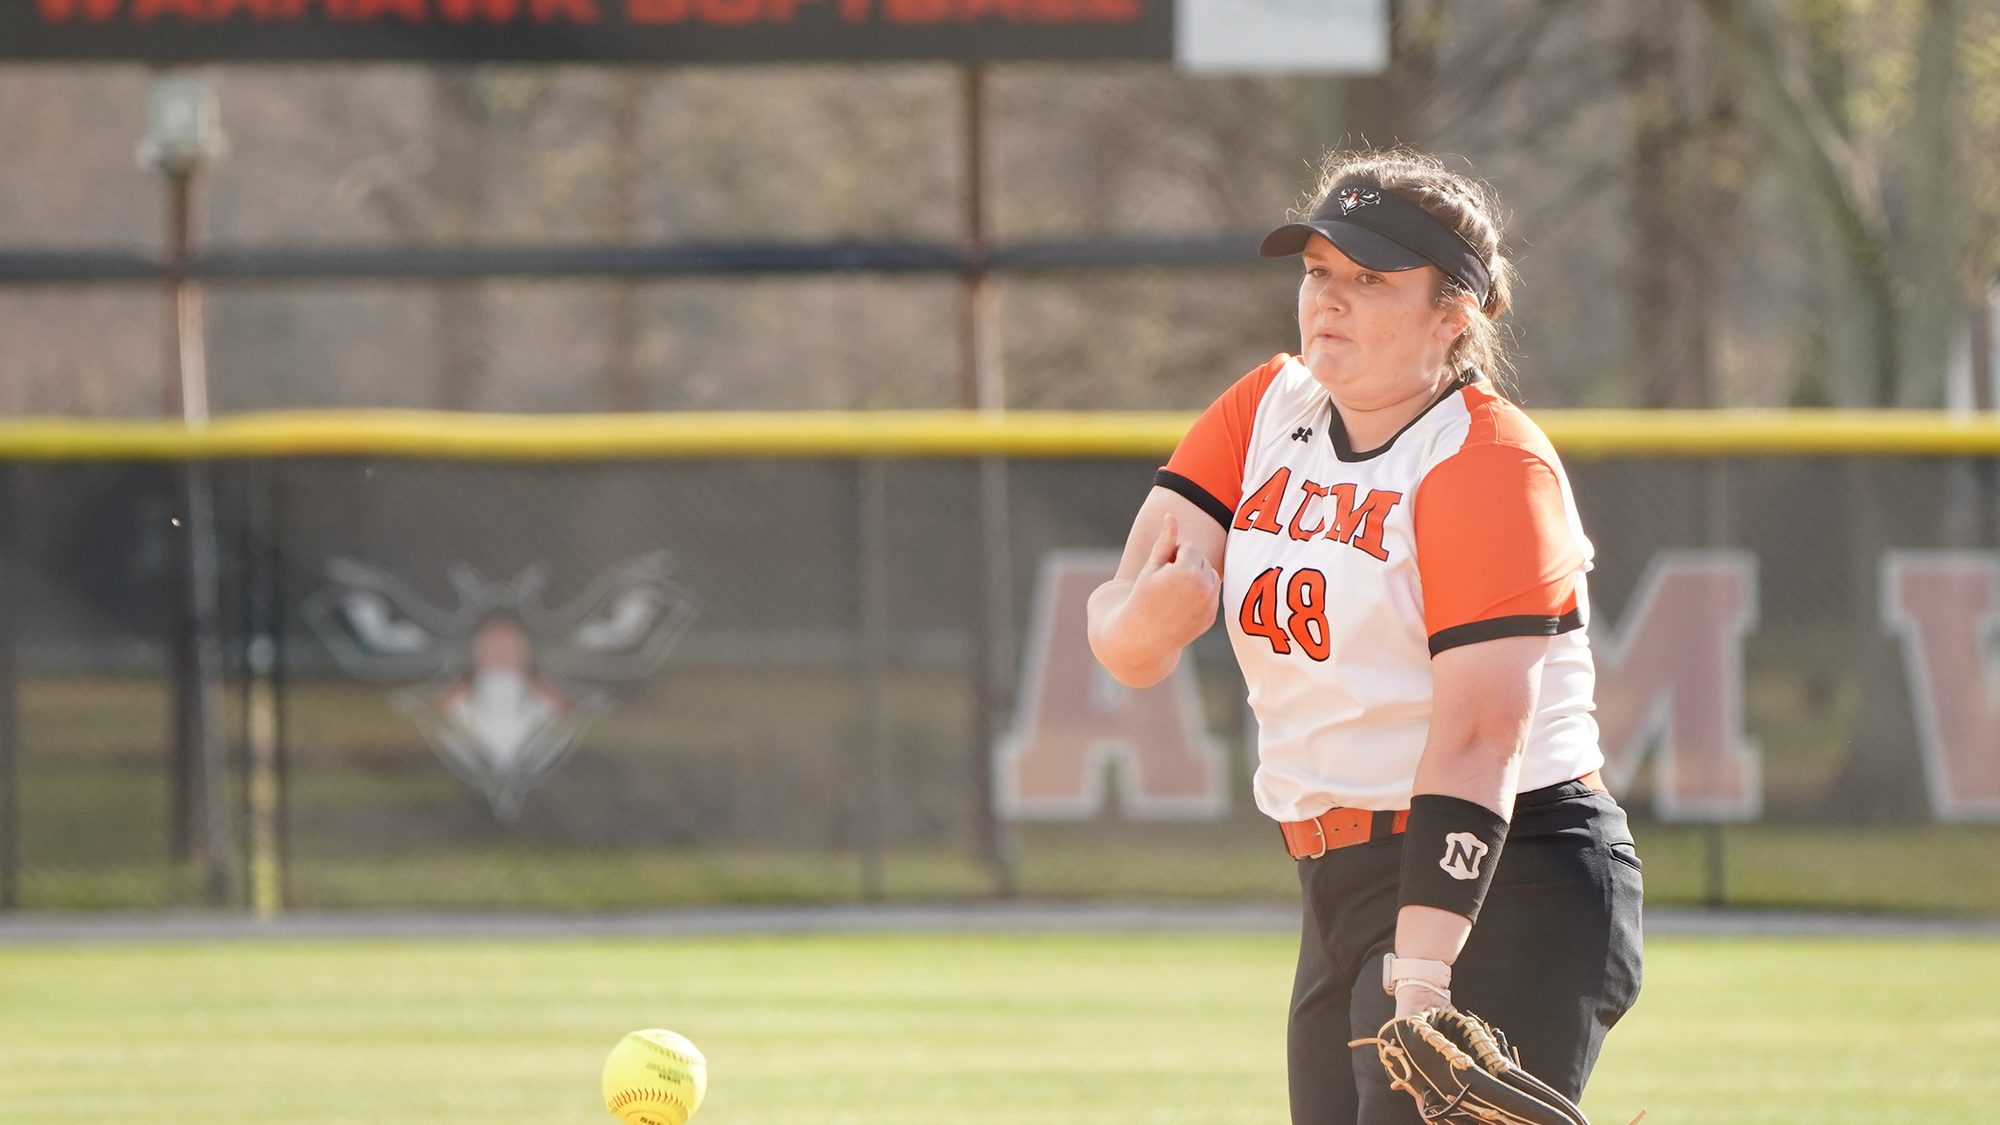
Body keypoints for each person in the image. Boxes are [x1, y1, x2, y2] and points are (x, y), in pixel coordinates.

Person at [1085, 149, 1643, 1125]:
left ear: (1452, 312)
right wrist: (1147, 621)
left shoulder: (1485, 460)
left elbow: (1480, 734)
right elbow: (1119, 632)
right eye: (1318, 272)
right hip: (1336, 880)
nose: (1329, 301)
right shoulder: (1266, 407)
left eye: (1371, 279)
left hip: (1502, 876)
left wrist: (1423, 974)